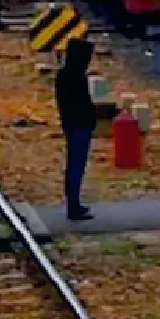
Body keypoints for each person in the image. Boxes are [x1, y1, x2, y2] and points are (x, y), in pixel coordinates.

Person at [54, 38, 97, 222]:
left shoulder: (63, 76)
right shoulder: (77, 77)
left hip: (71, 124)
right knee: (76, 166)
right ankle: (74, 206)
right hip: (79, 125)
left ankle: (74, 203)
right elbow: (82, 104)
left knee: (74, 165)